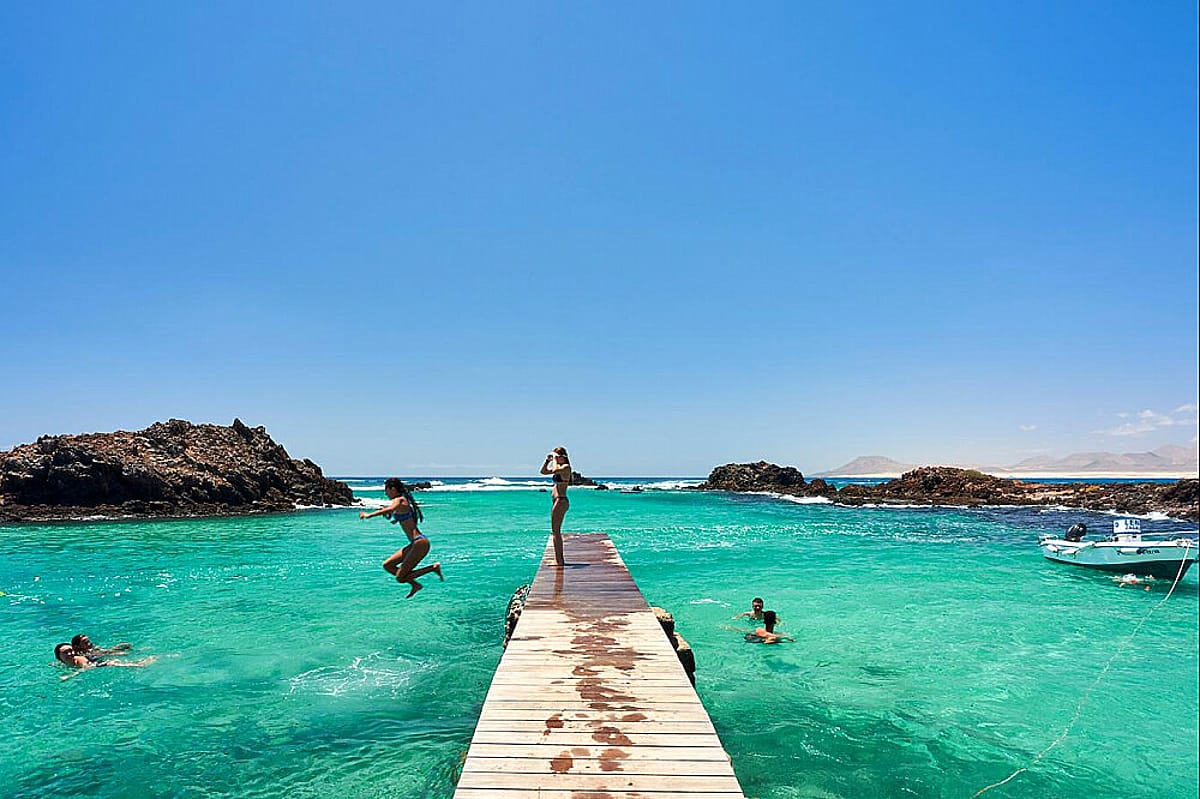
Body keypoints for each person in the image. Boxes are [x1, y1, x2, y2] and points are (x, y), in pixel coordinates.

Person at [359, 477, 443, 598]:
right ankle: (415, 585)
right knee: (387, 565)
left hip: (420, 543)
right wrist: (386, 512)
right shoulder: (401, 502)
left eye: (386, 490)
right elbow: (391, 511)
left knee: (400, 578)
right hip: (415, 543)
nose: (385, 493)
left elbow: (391, 509)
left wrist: (369, 515)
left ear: (392, 489)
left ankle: (433, 568)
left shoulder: (400, 500)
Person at [539, 447, 572, 566]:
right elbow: (543, 471)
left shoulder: (566, 467)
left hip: (561, 501)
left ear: (564, 457)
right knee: (555, 531)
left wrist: (555, 459)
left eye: (559, 456)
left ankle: (559, 561)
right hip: (557, 501)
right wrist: (547, 461)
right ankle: (559, 559)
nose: (556, 459)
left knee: (556, 532)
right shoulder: (558, 467)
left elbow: (556, 469)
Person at [54, 643, 156, 673]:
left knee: (112, 661)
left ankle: (139, 664)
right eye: (66, 652)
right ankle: (116, 649)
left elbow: (85, 668)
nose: (70, 653)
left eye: (71, 650)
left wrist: (70, 675)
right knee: (108, 652)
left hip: (93, 662)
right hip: (91, 657)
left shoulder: (79, 660)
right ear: (59, 657)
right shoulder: (60, 663)